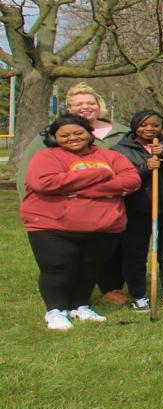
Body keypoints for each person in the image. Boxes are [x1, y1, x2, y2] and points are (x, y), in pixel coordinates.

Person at [20, 116, 141, 331]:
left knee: (90, 268)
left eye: (78, 133)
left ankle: (80, 306)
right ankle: (55, 311)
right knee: (58, 267)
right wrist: (99, 173)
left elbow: (131, 180)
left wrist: (78, 188)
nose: (72, 138)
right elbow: (44, 182)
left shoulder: (110, 156)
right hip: (52, 225)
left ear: (89, 133)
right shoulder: (46, 156)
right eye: (64, 135)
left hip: (105, 226)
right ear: (54, 138)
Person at [16, 83, 133, 304]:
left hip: (114, 208)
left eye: (90, 102)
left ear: (99, 105)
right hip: (61, 210)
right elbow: (34, 178)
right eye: (78, 104)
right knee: (64, 258)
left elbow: (131, 174)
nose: (85, 107)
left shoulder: (123, 132)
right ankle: (59, 302)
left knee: (108, 252)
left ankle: (110, 288)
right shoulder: (49, 138)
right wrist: (31, 206)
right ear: (68, 108)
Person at [111, 110, 163, 311]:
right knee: (135, 254)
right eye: (143, 125)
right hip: (136, 209)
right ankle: (139, 295)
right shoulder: (120, 150)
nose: (149, 129)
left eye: (155, 125)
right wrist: (145, 167)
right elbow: (118, 179)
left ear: (161, 127)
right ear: (134, 126)